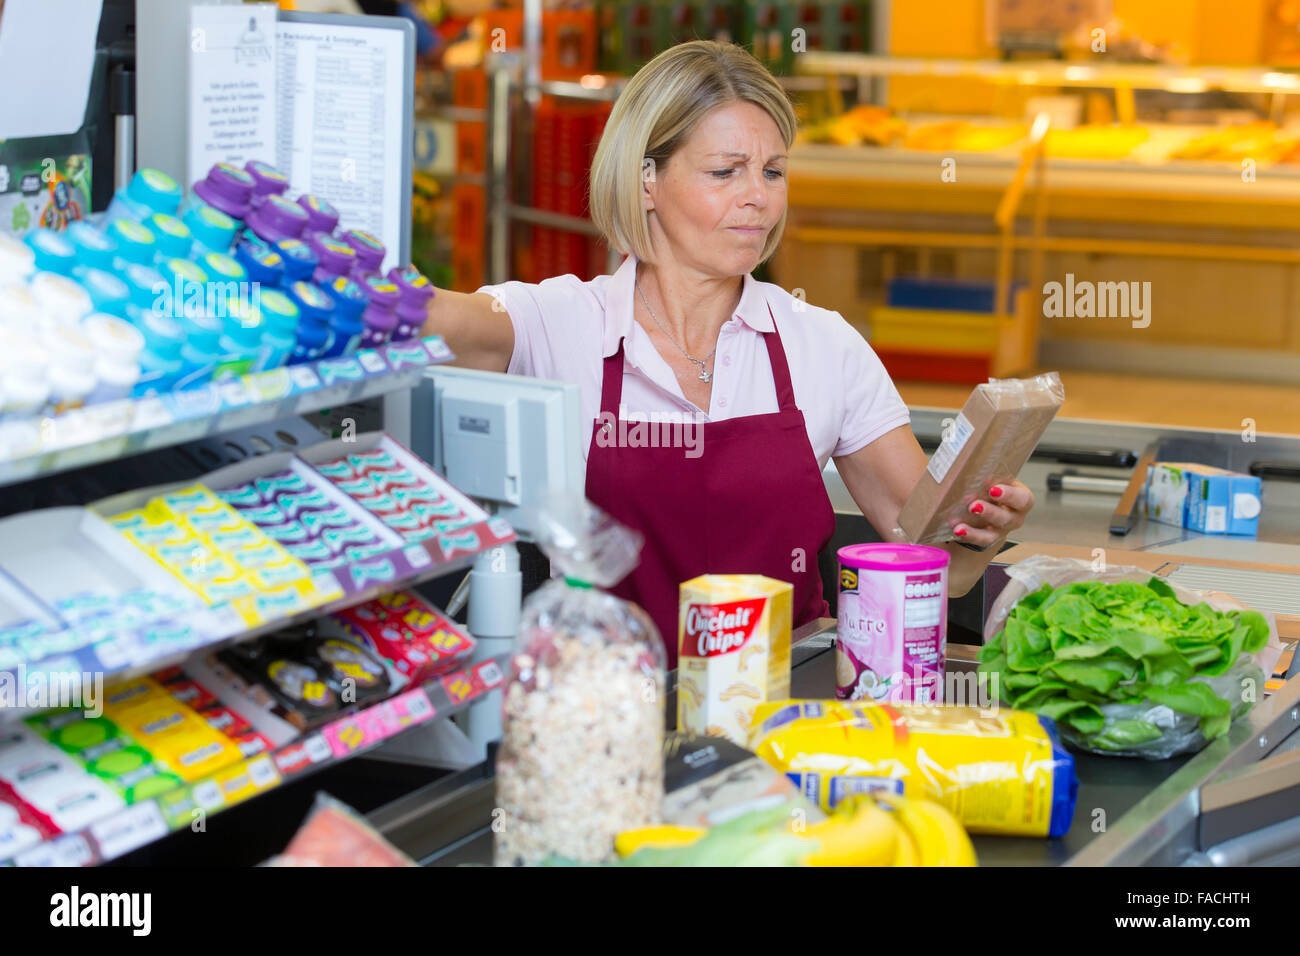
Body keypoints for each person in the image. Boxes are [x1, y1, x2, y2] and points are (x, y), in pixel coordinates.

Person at [424, 40, 1036, 665]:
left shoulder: (822, 344)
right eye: (725, 172)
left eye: (773, 171)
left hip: (786, 712)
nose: (760, 197)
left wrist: (982, 531)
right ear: (646, 180)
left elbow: (938, 563)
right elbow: (423, 316)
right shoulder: (555, 322)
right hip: (612, 713)